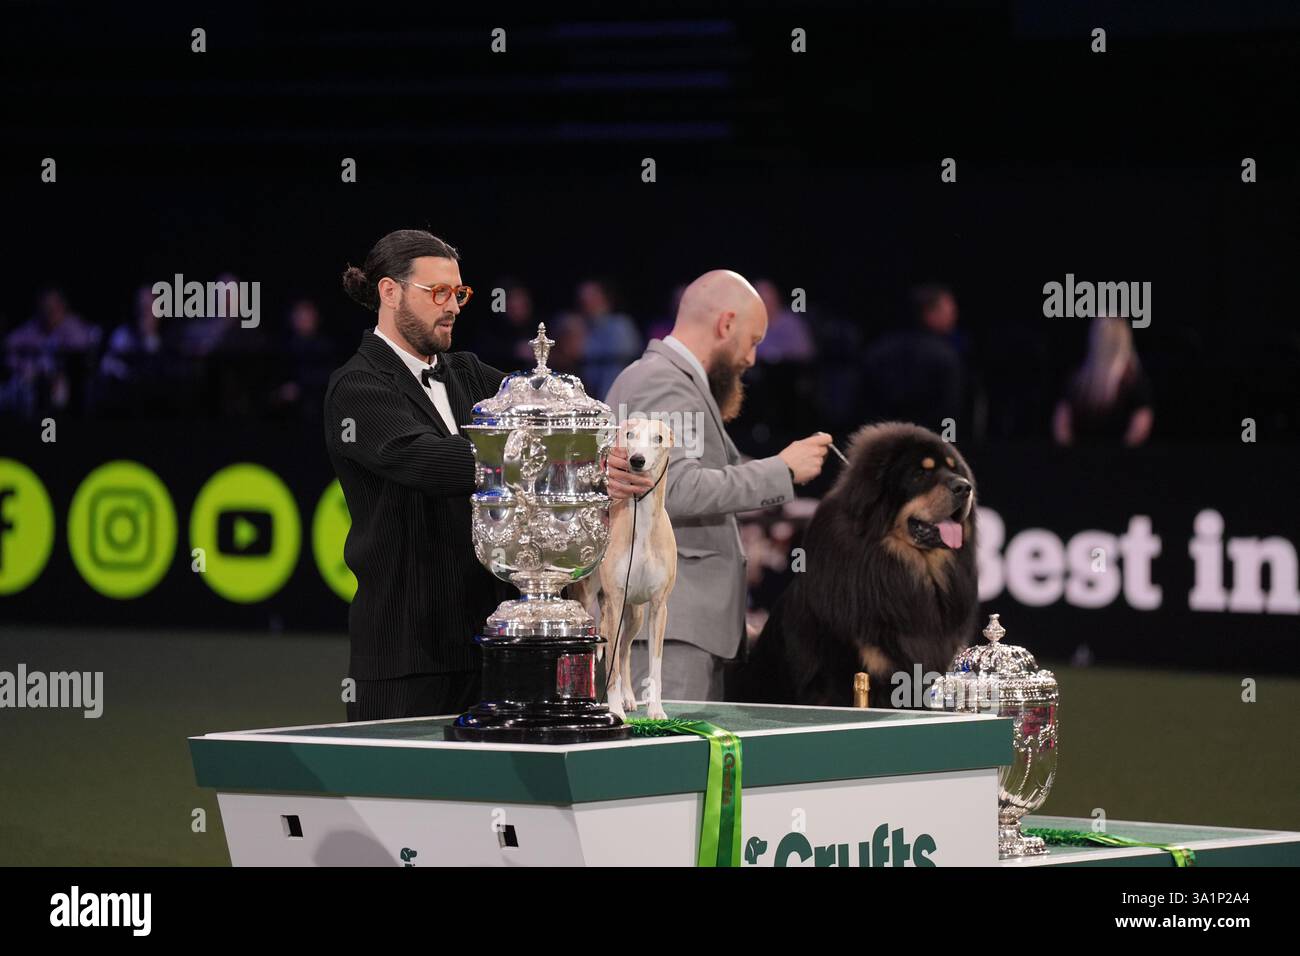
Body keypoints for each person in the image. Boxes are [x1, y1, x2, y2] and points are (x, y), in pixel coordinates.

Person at [324, 229, 653, 721]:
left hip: (493, 645)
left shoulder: (469, 373)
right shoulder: (357, 387)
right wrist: (559, 458)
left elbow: (545, 415)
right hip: (406, 656)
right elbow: (429, 462)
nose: (452, 305)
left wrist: (605, 454)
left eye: (459, 293)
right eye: (437, 292)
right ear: (389, 292)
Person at [604, 269, 832, 701]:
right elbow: (675, 487)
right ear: (726, 324)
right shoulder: (662, 382)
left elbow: (689, 473)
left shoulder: (672, 382)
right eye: (753, 340)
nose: (751, 358)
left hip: (684, 630)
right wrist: (781, 470)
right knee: (666, 764)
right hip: (666, 634)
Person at [1053, 315, 1154, 446]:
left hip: (1092, 461)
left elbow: (1061, 427)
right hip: (1113, 462)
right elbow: (1140, 428)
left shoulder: (1078, 382)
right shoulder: (1135, 382)